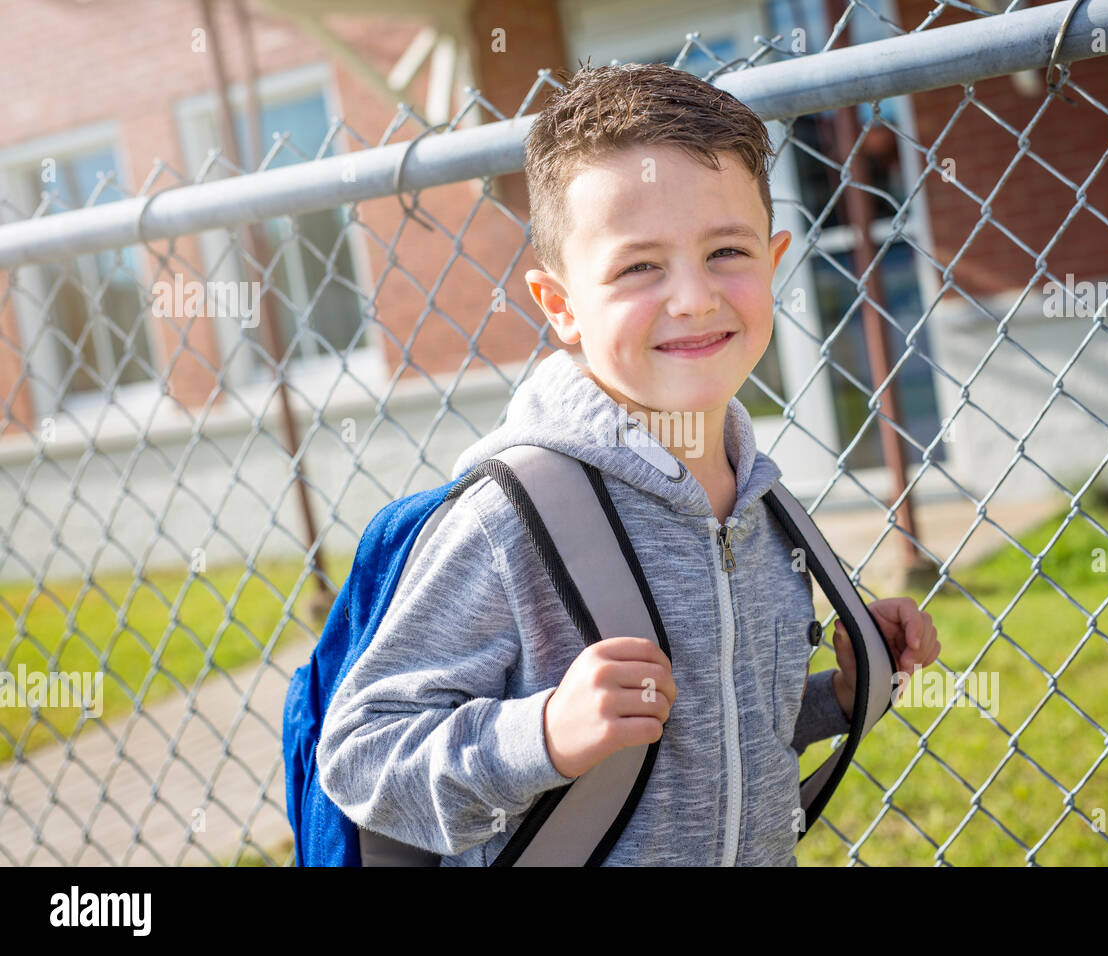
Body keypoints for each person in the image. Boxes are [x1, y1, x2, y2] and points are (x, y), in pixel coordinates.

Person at [317, 61, 940, 866]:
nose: (693, 298)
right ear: (561, 304)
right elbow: (364, 756)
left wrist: (844, 697)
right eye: (640, 266)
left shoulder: (761, 503)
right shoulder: (510, 518)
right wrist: (540, 734)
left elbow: (713, 735)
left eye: (726, 251)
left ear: (776, 260)